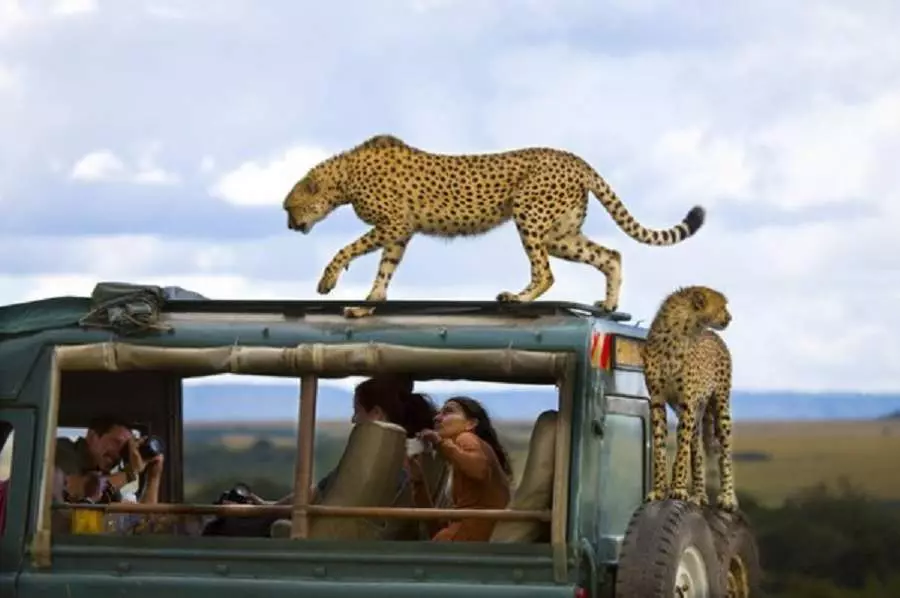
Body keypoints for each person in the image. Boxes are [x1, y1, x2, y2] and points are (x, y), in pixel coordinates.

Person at [411, 396, 512, 542]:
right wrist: (419, 482)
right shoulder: (455, 458)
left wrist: (440, 443)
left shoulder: (466, 437)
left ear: (470, 424)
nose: (437, 418)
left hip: (475, 538)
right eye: (438, 413)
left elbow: (478, 470)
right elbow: (437, 527)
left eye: (448, 412)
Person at [55, 416, 164, 505]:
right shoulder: (61, 450)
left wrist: (153, 477)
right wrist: (130, 473)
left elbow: (143, 523)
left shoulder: (106, 479)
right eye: (116, 442)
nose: (119, 453)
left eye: (125, 448)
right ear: (92, 436)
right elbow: (78, 491)